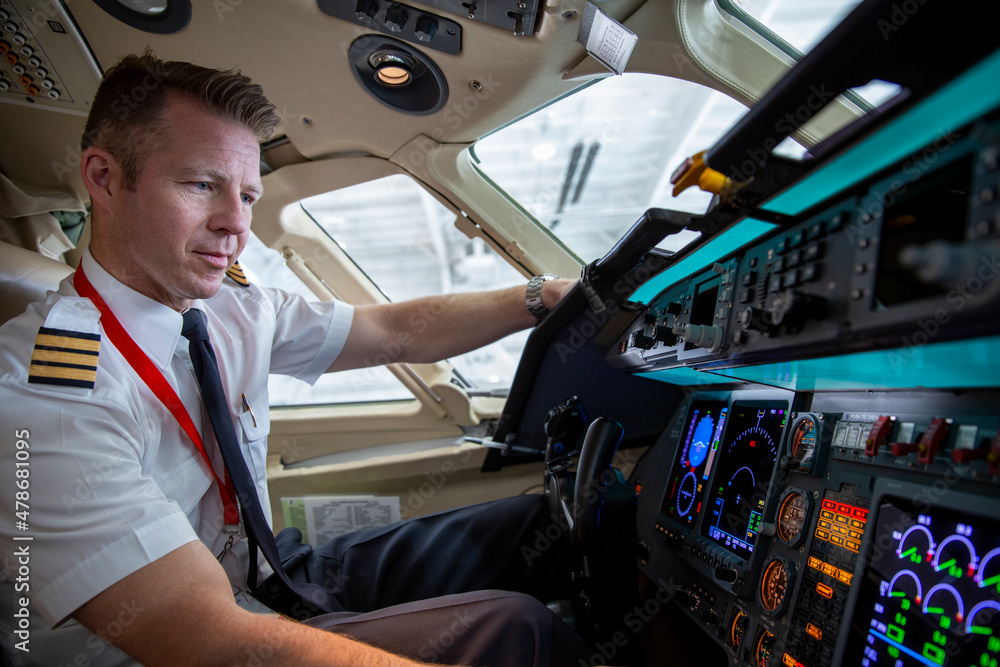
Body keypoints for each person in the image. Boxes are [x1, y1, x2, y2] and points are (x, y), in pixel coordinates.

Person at [0, 53, 591, 666]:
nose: (235, 223)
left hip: (265, 574)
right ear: (103, 177)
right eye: (201, 185)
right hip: (173, 645)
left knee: (539, 526)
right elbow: (214, 643)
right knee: (514, 631)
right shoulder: (47, 397)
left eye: (248, 194)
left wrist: (544, 296)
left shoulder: (230, 308)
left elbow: (393, 331)